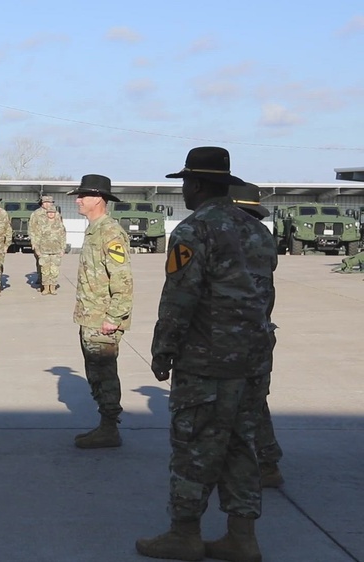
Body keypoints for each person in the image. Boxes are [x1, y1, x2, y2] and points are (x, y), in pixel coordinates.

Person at [137, 147, 273, 562]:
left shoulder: (194, 231)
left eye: (185, 183)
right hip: (252, 360)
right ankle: (242, 537)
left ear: (195, 184)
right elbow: (264, 298)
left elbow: (179, 299)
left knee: (193, 444)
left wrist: (162, 351)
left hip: (207, 361)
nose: (183, 191)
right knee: (240, 445)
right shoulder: (258, 232)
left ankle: (184, 533)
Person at [67, 174, 133, 448]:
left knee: (104, 375)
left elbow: (122, 280)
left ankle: (109, 428)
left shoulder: (110, 233)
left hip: (102, 321)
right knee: (96, 374)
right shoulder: (94, 230)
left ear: (98, 199)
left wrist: (114, 318)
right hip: (90, 317)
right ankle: (105, 425)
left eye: (83, 196)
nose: (79, 200)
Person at [230, 182, 284, 489]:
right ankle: (267, 462)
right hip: (260, 330)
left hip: (237, 333)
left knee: (240, 400)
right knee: (254, 399)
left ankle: (261, 463)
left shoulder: (235, 237)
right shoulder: (263, 236)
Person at [36, 207, 67, 295]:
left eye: (52, 212)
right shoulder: (42, 225)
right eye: (49, 212)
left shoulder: (60, 225)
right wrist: (37, 249)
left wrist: (63, 249)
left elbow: (63, 238)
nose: (51, 214)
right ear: (46, 214)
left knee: (54, 270)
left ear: (55, 214)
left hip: (56, 251)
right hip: (44, 251)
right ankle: (46, 288)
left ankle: (52, 288)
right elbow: (37, 237)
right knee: (45, 270)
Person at [29, 195, 57, 291]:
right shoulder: (36, 214)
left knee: (53, 265)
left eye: (50, 202)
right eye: (45, 202)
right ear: (42, 203)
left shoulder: (55, 213)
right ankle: (42, 282)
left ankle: (51, 283)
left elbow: (60, 228)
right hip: (40, 242)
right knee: (41, 262)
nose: (48, 204)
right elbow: (31, 228)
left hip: (53, 244)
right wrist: (33, 242)